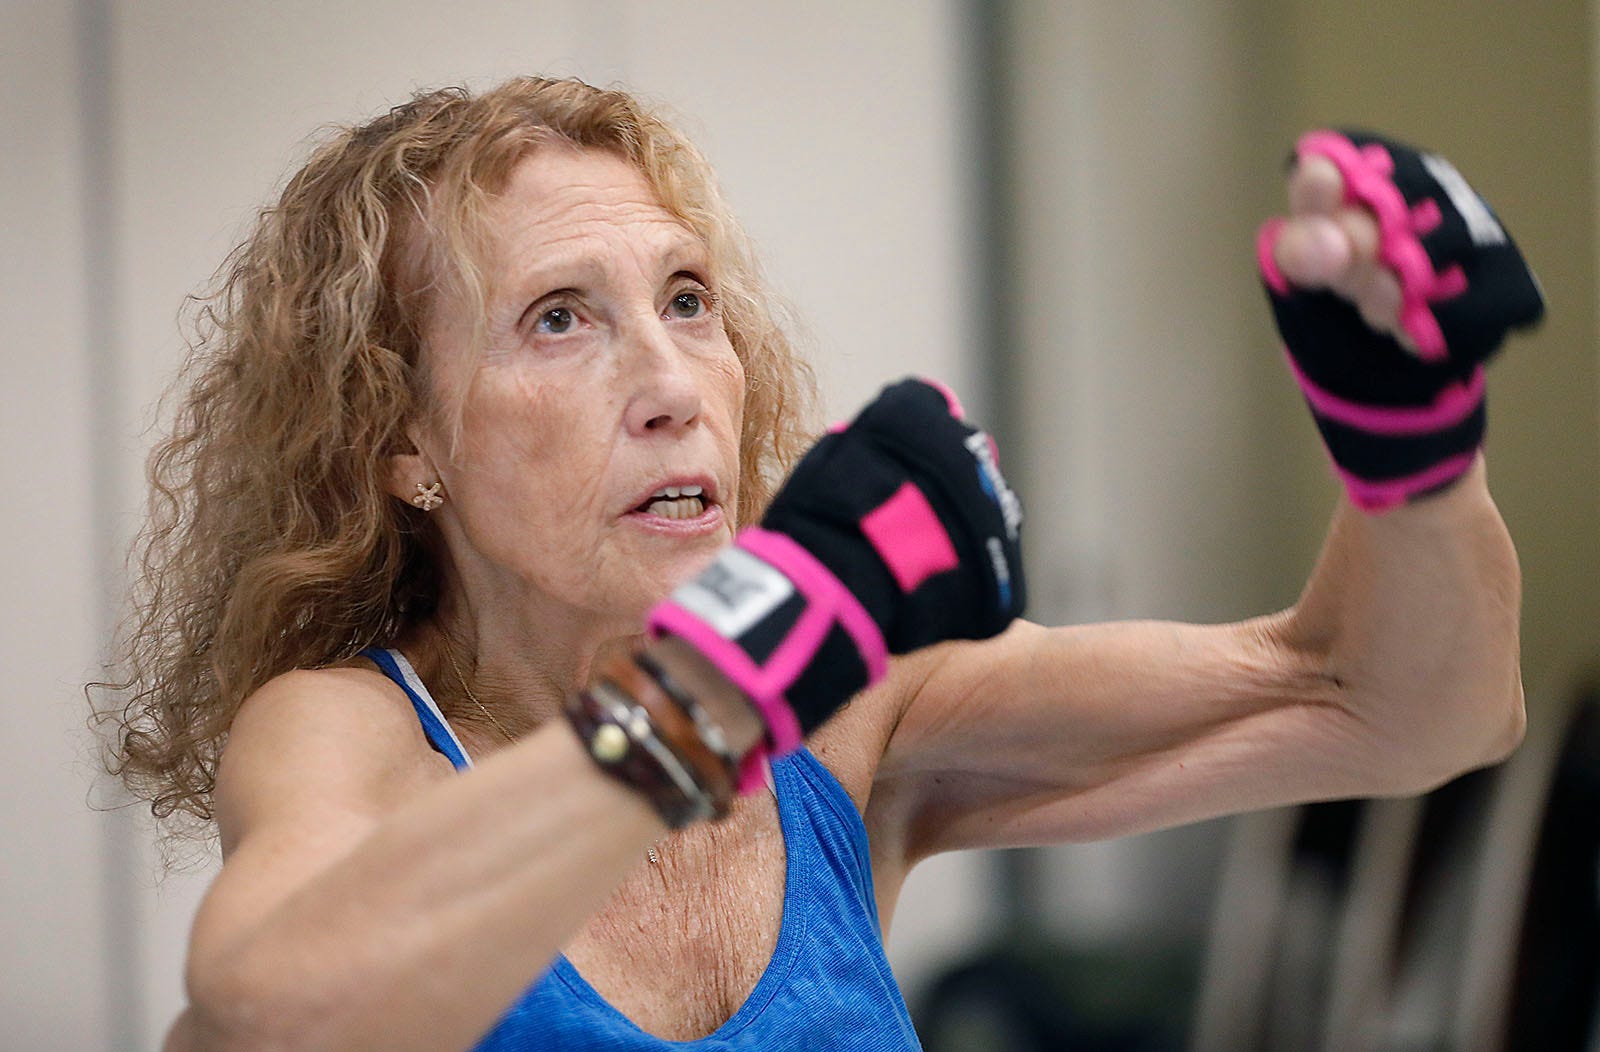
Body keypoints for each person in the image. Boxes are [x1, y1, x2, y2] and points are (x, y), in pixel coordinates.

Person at [97, 77, 1536, 1051]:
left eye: (685, 298)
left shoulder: (854, 720)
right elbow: (270, 1008)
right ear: (404, 442)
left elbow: (1403, 703)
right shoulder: (354, 734)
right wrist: (720, 683)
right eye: (557, 319)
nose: (672, 380)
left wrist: (1409, 446)